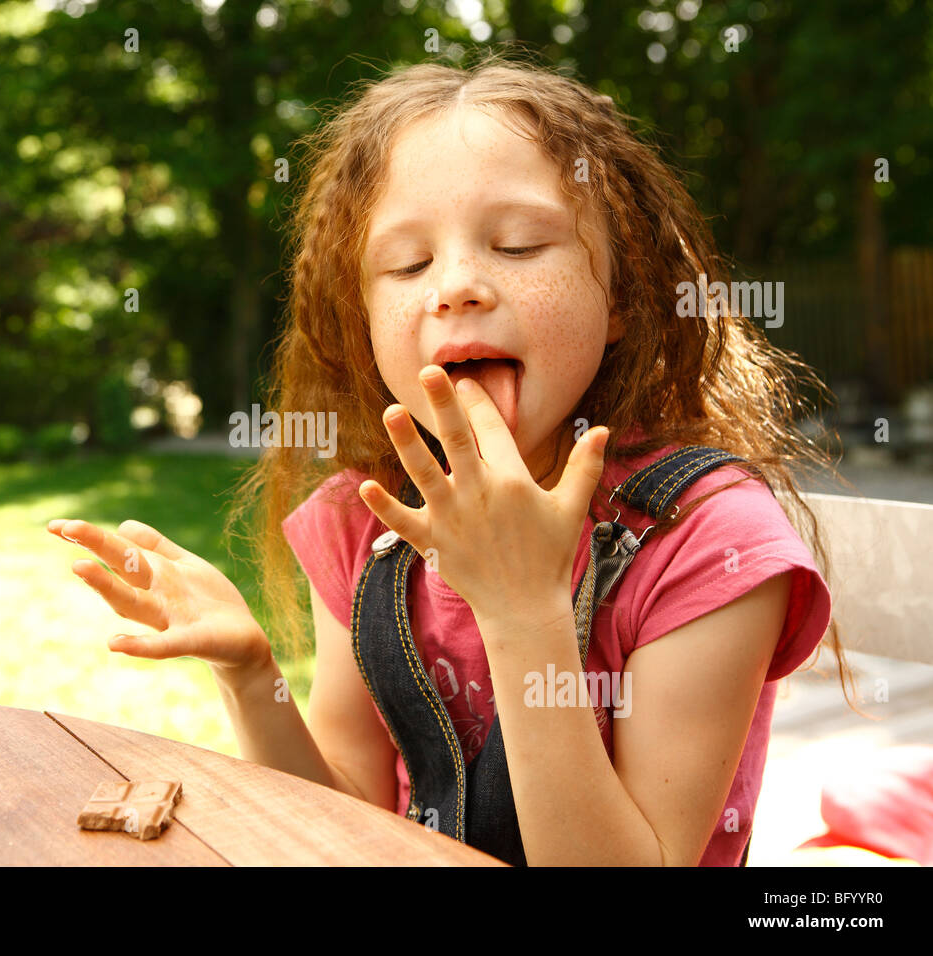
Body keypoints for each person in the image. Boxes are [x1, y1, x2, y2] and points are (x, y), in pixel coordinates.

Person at [47, 55, 855, 866]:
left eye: (518, 244)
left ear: (625, 300)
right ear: (364, 316)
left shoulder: (705, 537)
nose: (457, 286)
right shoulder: (361, 517)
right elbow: (349, 819)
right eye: (407, 264)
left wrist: (522, 608)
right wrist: (252, 672)